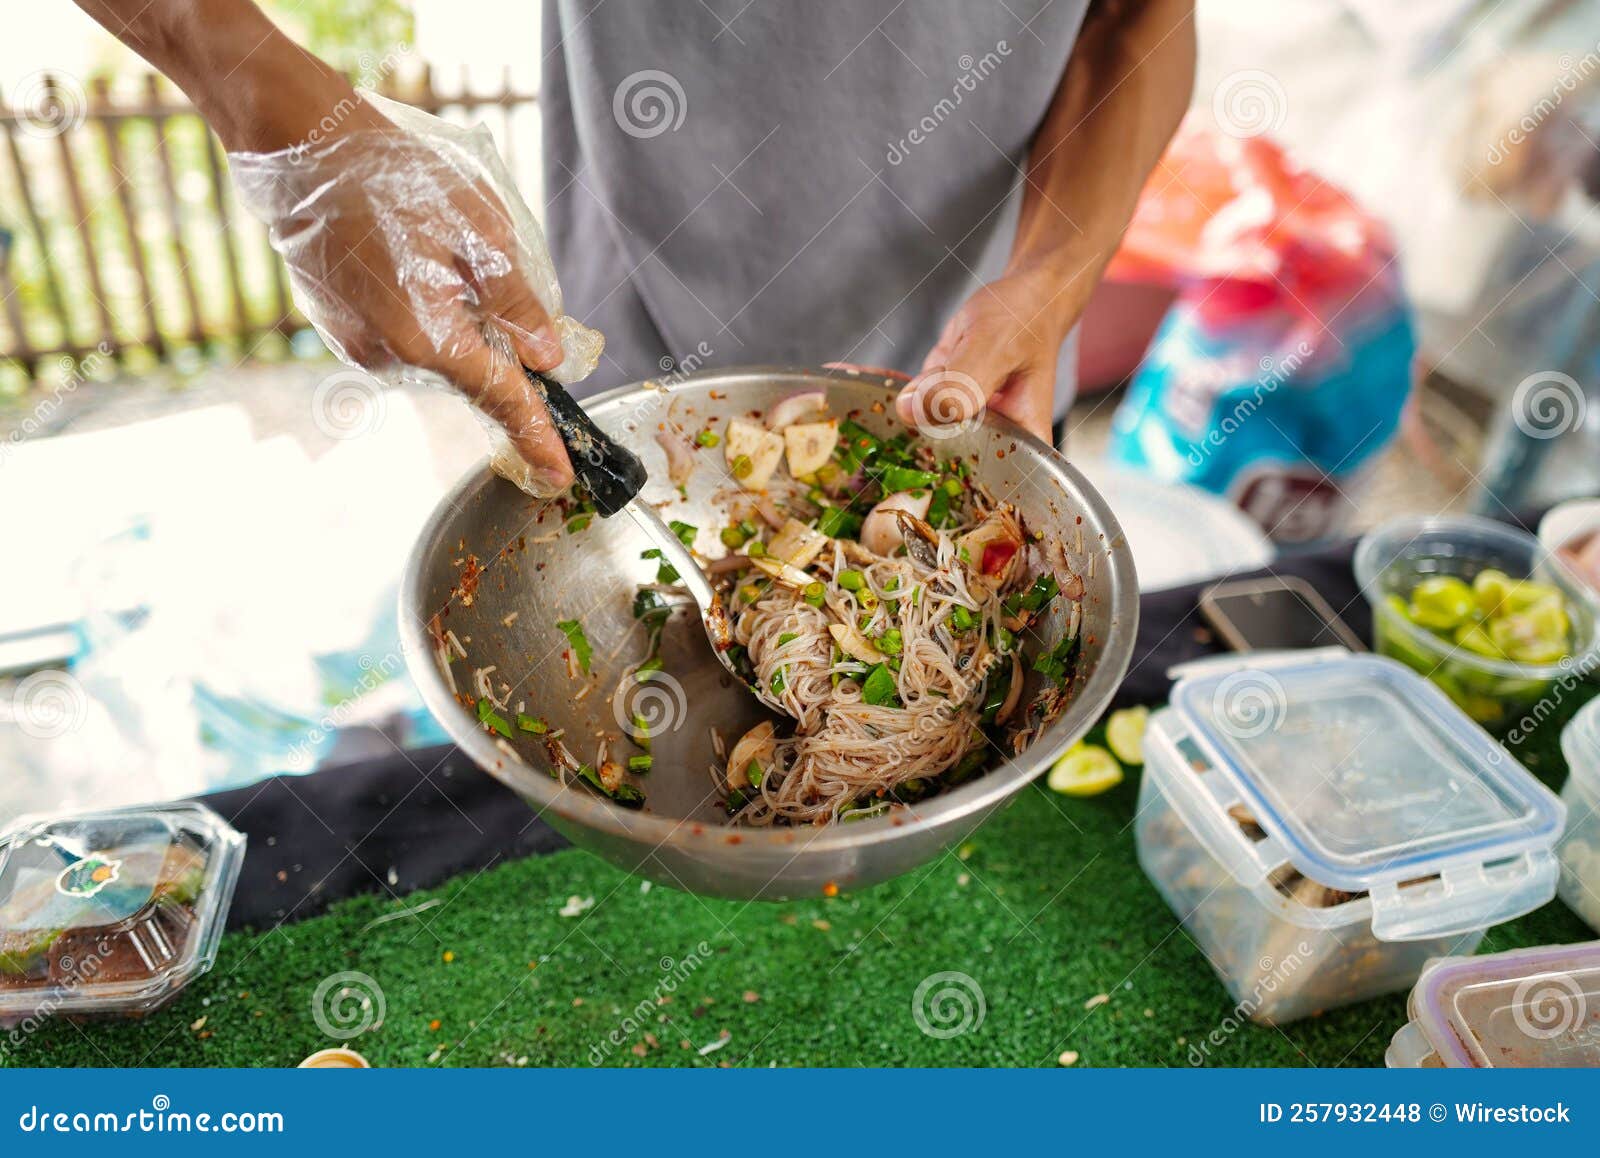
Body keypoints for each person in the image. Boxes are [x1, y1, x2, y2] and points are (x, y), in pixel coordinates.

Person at [74, 0, 1194, 491]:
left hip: (973, 310)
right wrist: (294, 128)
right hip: (624, 296)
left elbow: (1141, 15)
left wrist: (1050, 284)